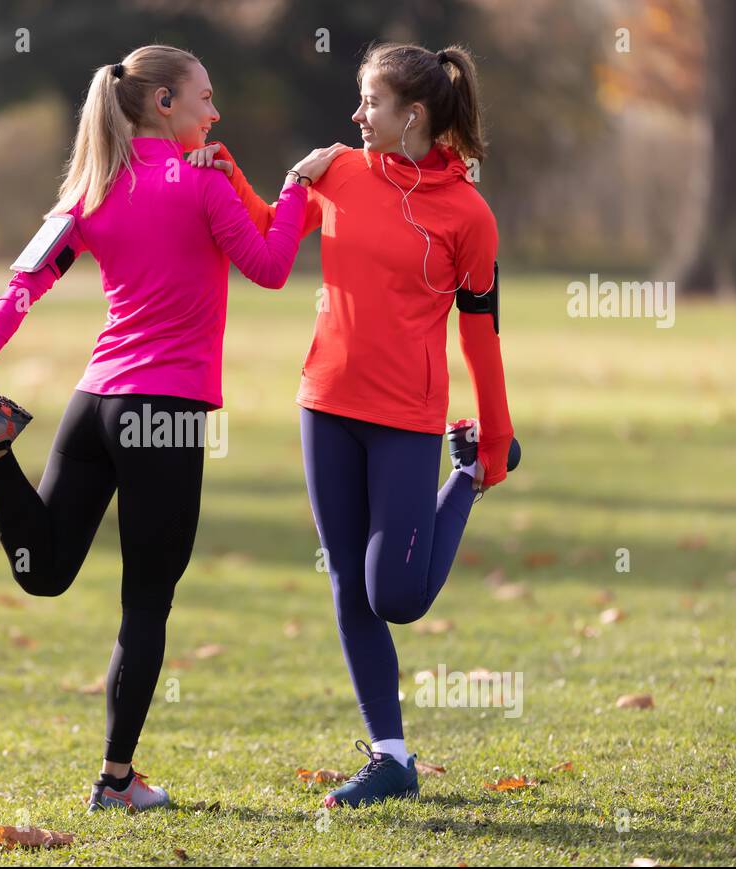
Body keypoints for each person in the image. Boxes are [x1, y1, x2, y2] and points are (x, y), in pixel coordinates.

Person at [0, 44, 346, 812]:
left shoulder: (93, 186)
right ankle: (115, 780)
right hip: (166, 413)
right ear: (164, 102)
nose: (215, 112)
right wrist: (300, 186)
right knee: (146, 602)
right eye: (204, 97)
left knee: (44, 568)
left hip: (93, 403)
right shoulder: (201, 181)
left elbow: (26, 280)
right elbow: (267, 264)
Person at [187, 42, 519, 807]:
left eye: (369, 102)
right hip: (325, 403)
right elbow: (270, 237)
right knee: (346, 580)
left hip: (406, 418)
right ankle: (391, 755)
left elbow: (481, 335)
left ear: (415, 115)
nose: (355, 114)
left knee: (395, 595)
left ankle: (463, 473)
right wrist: (229, 169)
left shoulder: (470, 216)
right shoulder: (338, 170)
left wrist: (494, 438)